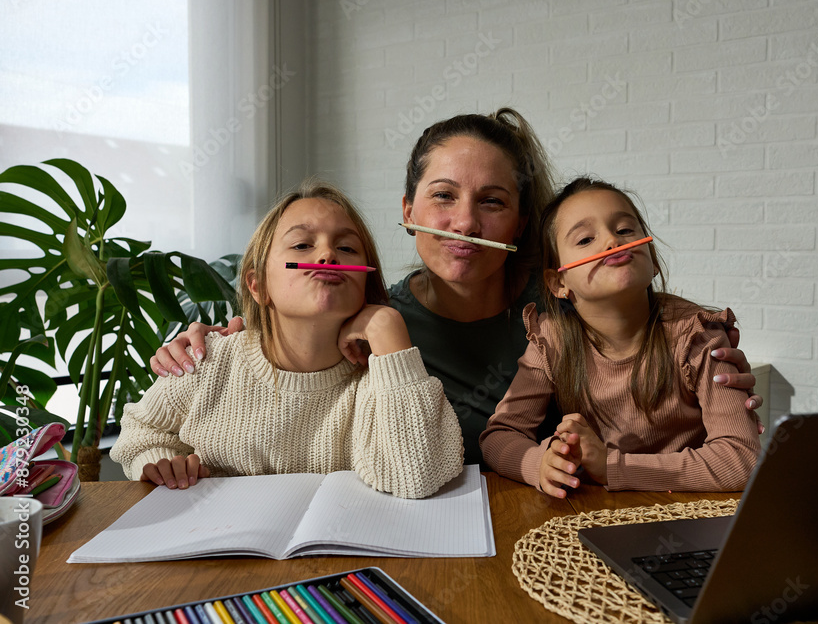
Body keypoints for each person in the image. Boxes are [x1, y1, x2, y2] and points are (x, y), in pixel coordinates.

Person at [148, 108, 764, 465]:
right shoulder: (364, 313)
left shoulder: (567, 301)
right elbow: (281, 349)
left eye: (491, 202)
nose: (465, 223)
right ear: (409, 210)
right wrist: (213, 341)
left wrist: (710, 371)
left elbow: (655, 335)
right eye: (443, 197)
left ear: (521, 222)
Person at [111, 182, 463, 499]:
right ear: (258, 285)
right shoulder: (207, 362)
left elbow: (416, 476)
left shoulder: (379, 384)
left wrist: (387, 327)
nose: (328, 256)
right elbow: (141, 432)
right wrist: (160, 462)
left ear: (365, 284)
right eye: (301, 244)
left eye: (346, 248)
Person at [480, 177, 760, 496]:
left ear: (652, 258)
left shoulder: (698, 334)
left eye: (625, 230)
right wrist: (539, 463)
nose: (612, 242)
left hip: (690, 513)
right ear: (558, 284)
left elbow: (742, 460)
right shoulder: (551, 340)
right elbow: (500, 436)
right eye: (586, 239)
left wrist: (611, 467)